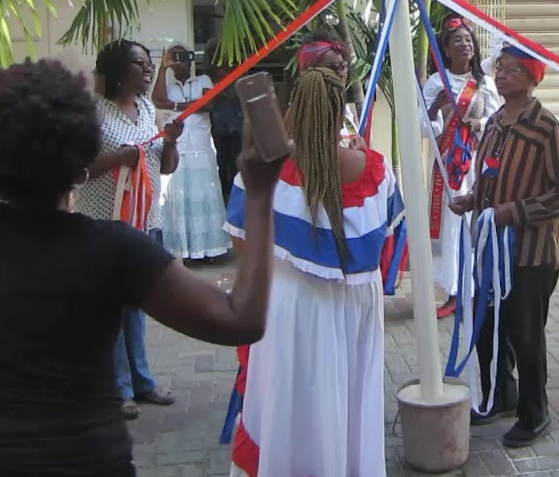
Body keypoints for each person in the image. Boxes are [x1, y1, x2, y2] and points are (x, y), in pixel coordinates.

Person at [0, 59, 289, 477]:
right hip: (85, 459)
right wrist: (260, 195)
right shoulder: (112, 248)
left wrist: (4, 98)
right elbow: (240, 320)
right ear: (83, 166)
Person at [223, 67, 406, 477]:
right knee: (350, 400)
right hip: (358, 305)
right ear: (341, 111)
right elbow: (385, 248)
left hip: (293, 303)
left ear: (293, 108)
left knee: (292, 401)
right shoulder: (377, 172)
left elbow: (241, 244)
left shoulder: (268, 173)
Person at [451, 45, 559, 449]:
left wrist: (516, 212)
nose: (501, 75)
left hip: (531, 254)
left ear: (530, 77)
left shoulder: (547, 128)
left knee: (526, 334)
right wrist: (470, 201)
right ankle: (501, 396)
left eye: (511, 70)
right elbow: (487, 182)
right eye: (500, 69)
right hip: (491, 253)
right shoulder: (492, 124)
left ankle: (534, 412)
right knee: (490, 329)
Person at [73, 39, 176, 419]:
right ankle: (118, 389)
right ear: (118, 70)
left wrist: (171, 143)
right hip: (105, 225)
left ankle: (142, 381)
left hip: (145, 222)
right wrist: (118, 158)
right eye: (139, 63)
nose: (147, 69)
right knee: (111, 309)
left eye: (148, 63)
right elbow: (77, 172)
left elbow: (165, 168)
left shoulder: (148, 108)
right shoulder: (93, 115)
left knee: (136, 305)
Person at [423, 16, 500, 318]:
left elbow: (496, 123)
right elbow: (422, 125)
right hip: (446, 166)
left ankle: (477, 287)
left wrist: (477, 123)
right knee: (451, 225)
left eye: (469, 40)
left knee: (475, 223)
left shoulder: (484, 83)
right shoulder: (435, 82)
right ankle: (456, 291)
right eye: (458, 40)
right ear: (446, 48)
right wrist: (436, 106)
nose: (465, 44)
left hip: (474, 165)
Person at [153, 43, 230, 261]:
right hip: (177, 152)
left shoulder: (203, 80)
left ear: (190, 60)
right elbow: (158, 101)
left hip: (201, 151)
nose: (179, 62)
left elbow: (209, 103)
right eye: (174, 58)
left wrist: (174, 105)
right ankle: (182, 251)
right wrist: (162, 68)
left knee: (205, 198)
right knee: (178, 201)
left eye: (182, 57)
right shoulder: (166, 83)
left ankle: (211, 251)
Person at [297, 32, 365, 149]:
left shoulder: (345, 113)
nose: (341, 73)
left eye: (343, 66)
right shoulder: (308, 116)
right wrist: (359, 155)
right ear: (308, 74)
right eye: (332, 67)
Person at [205, 38, 244, 205]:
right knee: (220, 162)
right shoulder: (209, 75)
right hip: (218, 124)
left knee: (236, 163)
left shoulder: (238, 70)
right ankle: (222, 197)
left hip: (236, 122)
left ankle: (235, 198)